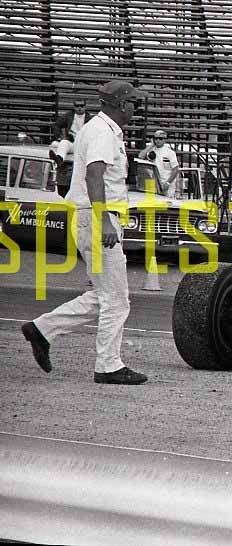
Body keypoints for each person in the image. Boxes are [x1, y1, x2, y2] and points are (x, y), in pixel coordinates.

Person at [21, 80, 149, 385]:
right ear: (120, 103)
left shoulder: (98, 129)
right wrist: (105, 220)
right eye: (134, 103)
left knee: (104, 294)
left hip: (90, 217)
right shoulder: (104, 132)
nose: (137, 109)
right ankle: (108, 365)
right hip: (96, 218)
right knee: (117, 299)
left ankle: (42, 329)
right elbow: (95, 174)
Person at [50, 98, 92, 167]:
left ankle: (57, 145)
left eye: (82, 106)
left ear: (85, 107)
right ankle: (59, 159)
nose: (79, 108)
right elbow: (56, 125)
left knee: (56, 144)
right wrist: (60, 136)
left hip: (83, 146)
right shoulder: (69, 115)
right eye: (77, 106)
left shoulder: (90, 118)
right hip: (72, 143)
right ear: (73, 106)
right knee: (64, 142)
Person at [138, 129, 180, 197]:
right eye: (156, 138)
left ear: (164, 140)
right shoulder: (151, 150)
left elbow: (175, 169)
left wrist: (168, 183)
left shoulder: (170, 152)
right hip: (154, 183)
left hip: (165, 182)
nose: (158, 140)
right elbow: (140, 156)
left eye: (160, 139)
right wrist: (151, 145)